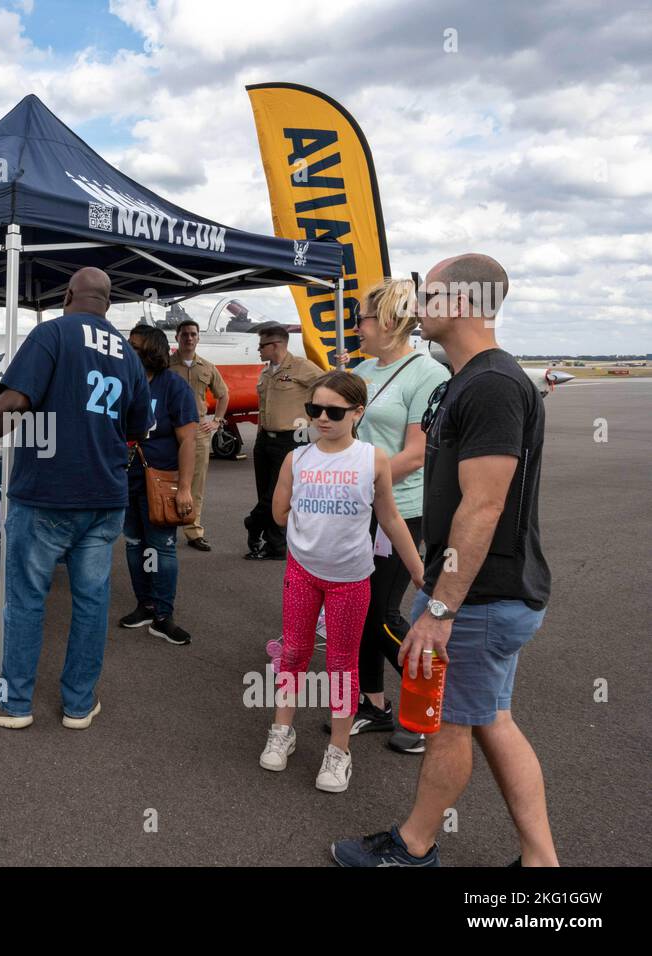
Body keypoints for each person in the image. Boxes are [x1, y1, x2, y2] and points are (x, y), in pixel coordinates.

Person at [333, 254, 556, 866]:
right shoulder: (464, 378)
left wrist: (436, 608)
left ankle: (412, 846)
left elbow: (482, 508)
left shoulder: (490, 384)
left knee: (453, 725)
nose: (416, 307)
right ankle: (540, 861)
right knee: (490, 720)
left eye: (427, 295)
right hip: (484, 593)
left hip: (482, 596)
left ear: (461, 303)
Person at [0, 267, 152, 730]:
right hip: (105, 496)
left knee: (25, 600)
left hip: (47, 493)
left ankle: (15, 704)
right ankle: (79, 705)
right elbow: (138, 426)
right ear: (107, 303)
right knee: (91, 601)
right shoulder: (127, 353)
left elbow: (13, 401)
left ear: (67, 294)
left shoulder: (52, 333)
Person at [262, 370, 424, 793]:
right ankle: (282, 730)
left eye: (334, 411)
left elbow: (390, 518)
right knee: (294, 651)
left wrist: (418, 569)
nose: (322, 418)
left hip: (350, 580)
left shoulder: (373, 459)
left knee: (341, 663)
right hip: (301, 573)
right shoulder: (296, 459)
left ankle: (339, 751)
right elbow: (278, 513)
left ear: (358, 412)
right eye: (315, 409)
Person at [341, 278, 450, 754]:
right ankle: (373, 703)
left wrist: (362, 480)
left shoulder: (427, 374)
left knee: (381, 613)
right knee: (359, 611)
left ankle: (429, 704)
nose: (355, 328)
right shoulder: (362, 369)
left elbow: (418, 452)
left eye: (361, 318)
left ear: (388, 321)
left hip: (400, 510)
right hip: (357, 506)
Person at [119, 325, 197, 644]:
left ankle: (163, 615)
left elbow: (188, 441)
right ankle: (145, 605)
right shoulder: (123, 384)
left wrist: (186, 489)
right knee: (134, 544)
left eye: (135, 347)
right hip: (125, 479)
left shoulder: (173, 387)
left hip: (161, 481)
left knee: (162, 549)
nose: (128, 351)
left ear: (151, 351)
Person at [245, 324, 318, 559]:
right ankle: (275, 546)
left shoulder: (302, 367)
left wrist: (315, 423)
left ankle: (253, 524)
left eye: (261, 345)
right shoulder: (266, 373)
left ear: (274, 345)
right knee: (264, 492)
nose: (258, 350)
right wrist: (259, 437)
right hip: (264, 439)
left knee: (276, 494)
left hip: (291, 440)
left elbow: (330, 386)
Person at [168, 318, 228, 552]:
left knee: (195, 483)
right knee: (167, 479)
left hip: (198, 431)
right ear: (177, 337)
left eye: (193, 334)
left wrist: (217, 421)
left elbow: (223, 395)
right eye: (185, 334)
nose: (189, 338)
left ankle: (193, 530)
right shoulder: (166, 365)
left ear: (198, 338)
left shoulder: (207, 367)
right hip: (169, 430)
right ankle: (166, 527)